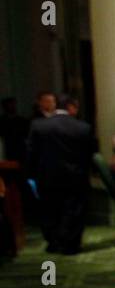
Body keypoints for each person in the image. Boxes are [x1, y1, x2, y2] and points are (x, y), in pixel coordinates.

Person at [25, 94, 94, 254]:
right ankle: (71, 244)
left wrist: (31, 175)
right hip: (75, 177)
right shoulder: (83, 127)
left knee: (50, 210)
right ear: (71, 107)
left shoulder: (39, 126)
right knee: (74, 210)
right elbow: (88, 154)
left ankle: (54, 242)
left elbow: (31, 152)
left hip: (47, 176)